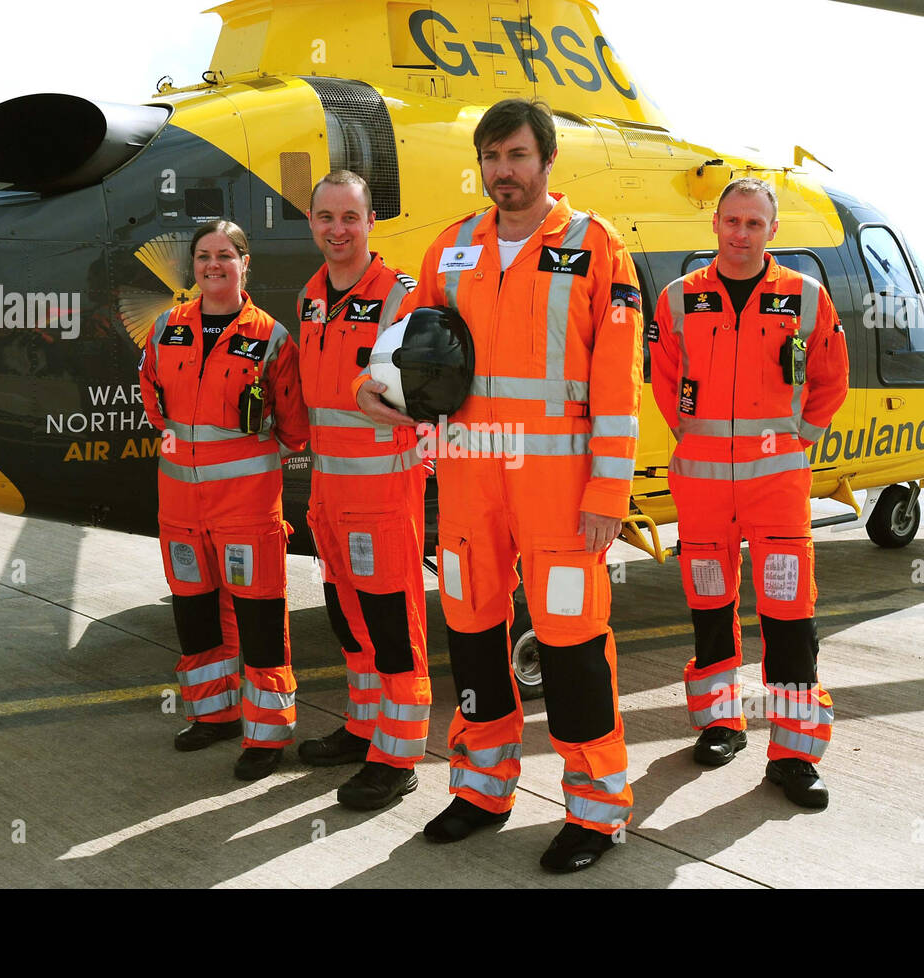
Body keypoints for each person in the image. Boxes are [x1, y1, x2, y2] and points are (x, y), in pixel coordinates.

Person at [359, 98, 642, 872]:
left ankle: (595, 810)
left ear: (548, 160)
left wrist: (607, 495)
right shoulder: (450, 248)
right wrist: (378, 388)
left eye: (516, 156)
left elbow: (619, 386)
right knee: (476, 636)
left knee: (573, 647)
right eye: (490, 158)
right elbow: (415, 353)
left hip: (558, 489)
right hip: (467, 482)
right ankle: (482, 790)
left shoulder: (596, 249)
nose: (502, 172)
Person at [648, 177, 848, 808]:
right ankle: (718, 722)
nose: (740, 234)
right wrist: (695, 436)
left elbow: (829, 377)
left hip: (776, 483)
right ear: (715, 224)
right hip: (702, 481)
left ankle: (792, 754)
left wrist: (797, 437)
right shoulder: (680, 299)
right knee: (710, 605)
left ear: (772, 232)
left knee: (790, 615)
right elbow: (664, 378)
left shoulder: (806, 298)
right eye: (731, 222)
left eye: (753, 224)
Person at [139, 219, 309, 782]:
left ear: (244, 264)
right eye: (204, 256)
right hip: (181, 508)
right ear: (194, 266)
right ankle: (213, 715)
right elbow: (151, 392)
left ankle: (266, 738)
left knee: (260, 621)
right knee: (194, 612)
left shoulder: (272, 338)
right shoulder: (167, 327)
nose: (214, 265)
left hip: (246, 507)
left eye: (225, 256)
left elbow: (294, 424)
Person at [295, 170, 431, 811]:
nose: (337, 230)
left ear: (370, 222)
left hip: (382, 496)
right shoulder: (311, 297)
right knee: (350, 624)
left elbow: (427, 397)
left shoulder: (400, 299)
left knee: (393, 626)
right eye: (325, 217)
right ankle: (363, 726)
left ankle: (398, 755)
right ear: (313, 222)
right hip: (329, 496)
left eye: (349, 217)